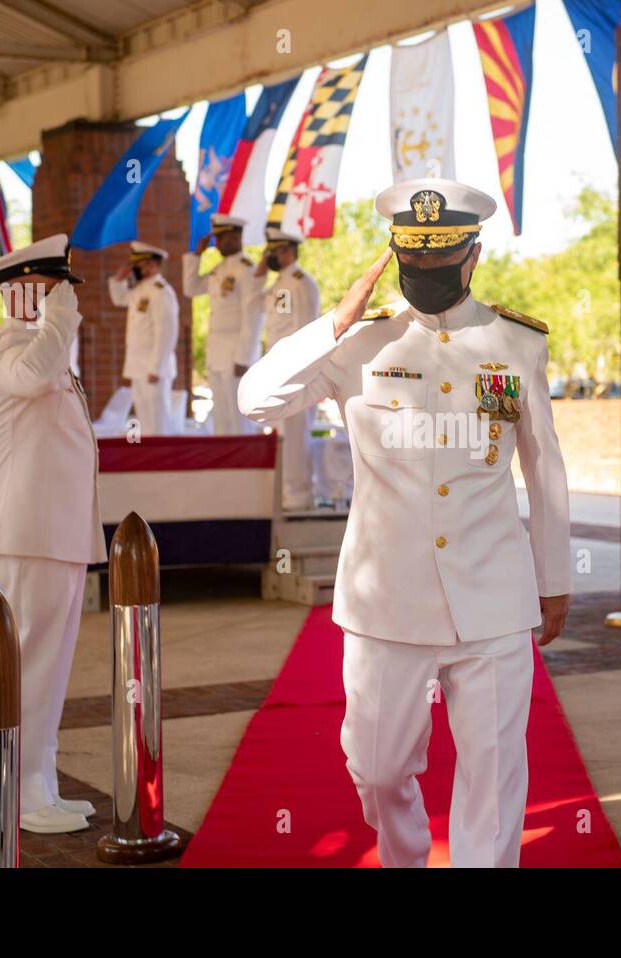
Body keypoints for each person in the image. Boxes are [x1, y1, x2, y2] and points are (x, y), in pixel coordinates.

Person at [238, 178, 572, 867]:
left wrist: (554, 577)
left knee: (497, 773)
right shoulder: (358, 346)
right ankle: (405, 853)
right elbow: (254, 402)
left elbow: (545, 470)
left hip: (494, 598)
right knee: (379, 768)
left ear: (472, 255)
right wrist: (331, 325)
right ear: (394, 256)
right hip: (387, 601)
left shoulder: (517, 344)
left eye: (440, 258)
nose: (425, 272)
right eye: (412, 259)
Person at [0, 234, 106, 834]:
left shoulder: (42, 350)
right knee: (24, 667)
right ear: (24, 291)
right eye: (55, 292)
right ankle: (17, 796)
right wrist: (59, 319)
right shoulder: (10, 347)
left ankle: (40, 786)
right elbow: (32, 379)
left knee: (46, 671)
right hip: (26, 534)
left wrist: (57, 321)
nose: (65, 305)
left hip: (53, 535)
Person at [255, 225, 320, 509]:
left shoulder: (300, 282)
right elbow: (256, 310)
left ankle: (299, 495)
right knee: (284, 433)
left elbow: (304, 330)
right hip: (278, 370)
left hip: (295, 371)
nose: (270, 257)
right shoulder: (280, 282)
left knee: (295, 434)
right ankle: (286, 493)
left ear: (289, 251)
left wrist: (297, 371)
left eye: (275, 251)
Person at [183, 213, 264, 435]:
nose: (216, 244)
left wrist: (244, 356)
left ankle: (246, 467)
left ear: (235, 237)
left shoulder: (247, 269)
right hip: (217, 354)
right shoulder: (219, 269)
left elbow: (253, 313)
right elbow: (191, 288)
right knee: (220, 418)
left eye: (220, 238)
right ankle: (227, 467)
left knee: (240, 418)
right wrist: (196, 255)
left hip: (236, 355)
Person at [108, 241, 179, 436]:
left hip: (153, 369)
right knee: (145, 422)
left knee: (158, 421)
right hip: (138, 367)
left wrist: (156, 367)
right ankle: (152, 459)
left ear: (151, 264)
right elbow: (119, 299)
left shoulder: (161, 291)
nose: (135, 268)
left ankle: (164, 460)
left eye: (138, 264)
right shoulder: (141, 289)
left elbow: (166, 333)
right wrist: (118, 280)